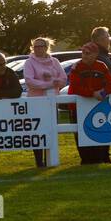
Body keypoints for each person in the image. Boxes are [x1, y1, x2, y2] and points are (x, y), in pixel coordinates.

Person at [67, 42, 111, 165]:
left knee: (102, 129)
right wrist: (92, 93)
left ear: (95, 54)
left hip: (98, 105)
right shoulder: (76, 67)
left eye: (88, 53)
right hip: (78, 106)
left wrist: (103, 93)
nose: (85, 55)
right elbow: (75, 87)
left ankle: (103, 157)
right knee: (81, 133)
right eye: (83, 52)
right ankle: (85, 159)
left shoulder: (102, 66)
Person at [22, 36, 67, 167]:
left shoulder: (55, 61)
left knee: (51, 129)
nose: (37, 49)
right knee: (37, 131)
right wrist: (48, 84)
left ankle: (50, 158)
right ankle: (39, 160)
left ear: (46, 47)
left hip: (52, 101)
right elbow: (29, 81)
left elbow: (63, 78)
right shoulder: (29, 62)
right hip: (36, 102)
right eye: (35, 46)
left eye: (40, 46)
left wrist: (54, 82)